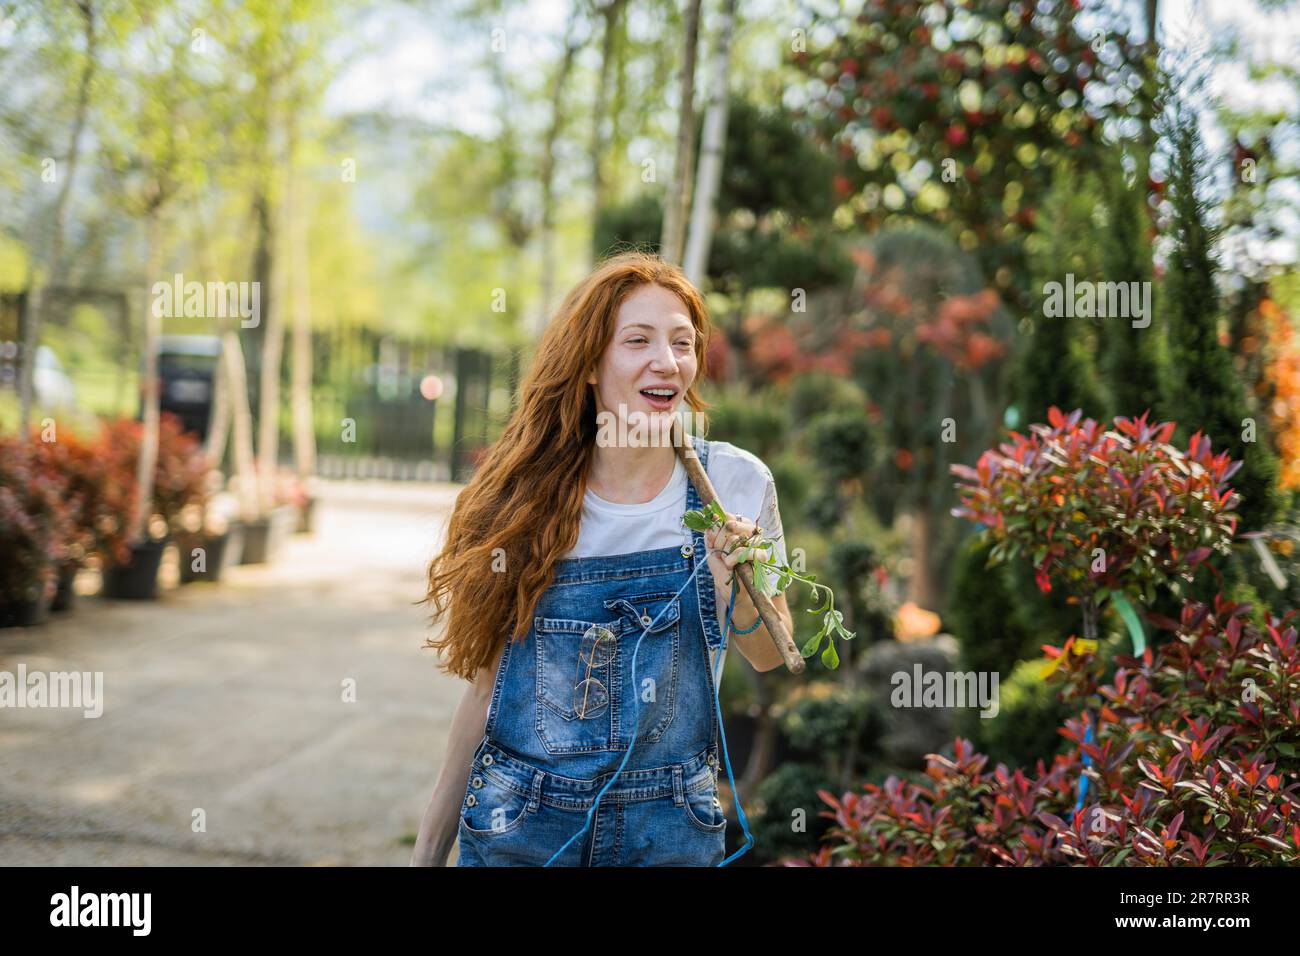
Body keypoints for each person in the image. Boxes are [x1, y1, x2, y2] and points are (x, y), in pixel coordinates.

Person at [409, 251, 793, 866]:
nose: (666, 363)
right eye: (637, 340)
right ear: (590, 363)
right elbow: (487, 692)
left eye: (682, 343)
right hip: (522, 827)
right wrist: (428, 852)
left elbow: (772, 654)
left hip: (669, 830)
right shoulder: (525, 500)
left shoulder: (734, 484)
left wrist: (736, 585)